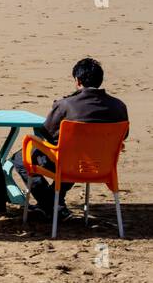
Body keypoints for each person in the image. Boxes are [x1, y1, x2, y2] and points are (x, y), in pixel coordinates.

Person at [11, 58, 128, 222]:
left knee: (20, 158)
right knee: (76, 152)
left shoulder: (66, 104)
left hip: (71, 163)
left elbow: (47, 132)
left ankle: (51, 205)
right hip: (103, 165)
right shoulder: (119, 106)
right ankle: (55, 202)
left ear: (77, 81)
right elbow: (124, 135)